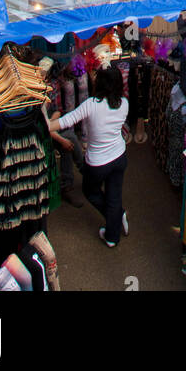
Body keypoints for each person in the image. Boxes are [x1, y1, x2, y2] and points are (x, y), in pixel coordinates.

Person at [48, 65, 130, 246]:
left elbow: (66, 121)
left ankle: (116, 218)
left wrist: (46, 124)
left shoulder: (92, 104)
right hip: (119, 157)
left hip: (98, 163)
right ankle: (112, 235)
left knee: (90, 191)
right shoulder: (124, 103)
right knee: (114, 196)